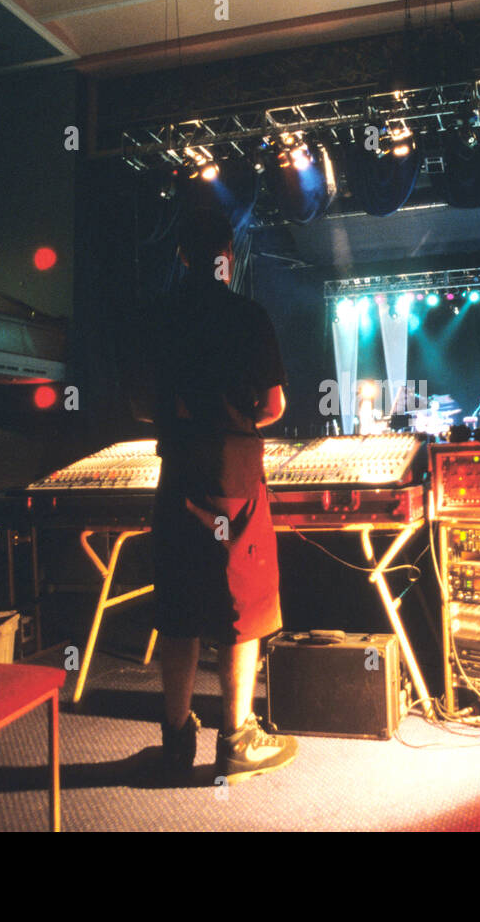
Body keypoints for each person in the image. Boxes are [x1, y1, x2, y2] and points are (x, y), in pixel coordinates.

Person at [150, 208, 298, 786]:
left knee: (180, 606)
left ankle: (175, 740)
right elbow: (274, 406)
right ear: (228, 255)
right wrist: (235, 415)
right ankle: (236, 742)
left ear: (183, 253)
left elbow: (145, 400)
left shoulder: (158, 319)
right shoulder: (248, 316)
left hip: (177, 474)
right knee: (245, 605)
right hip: (232, 478)